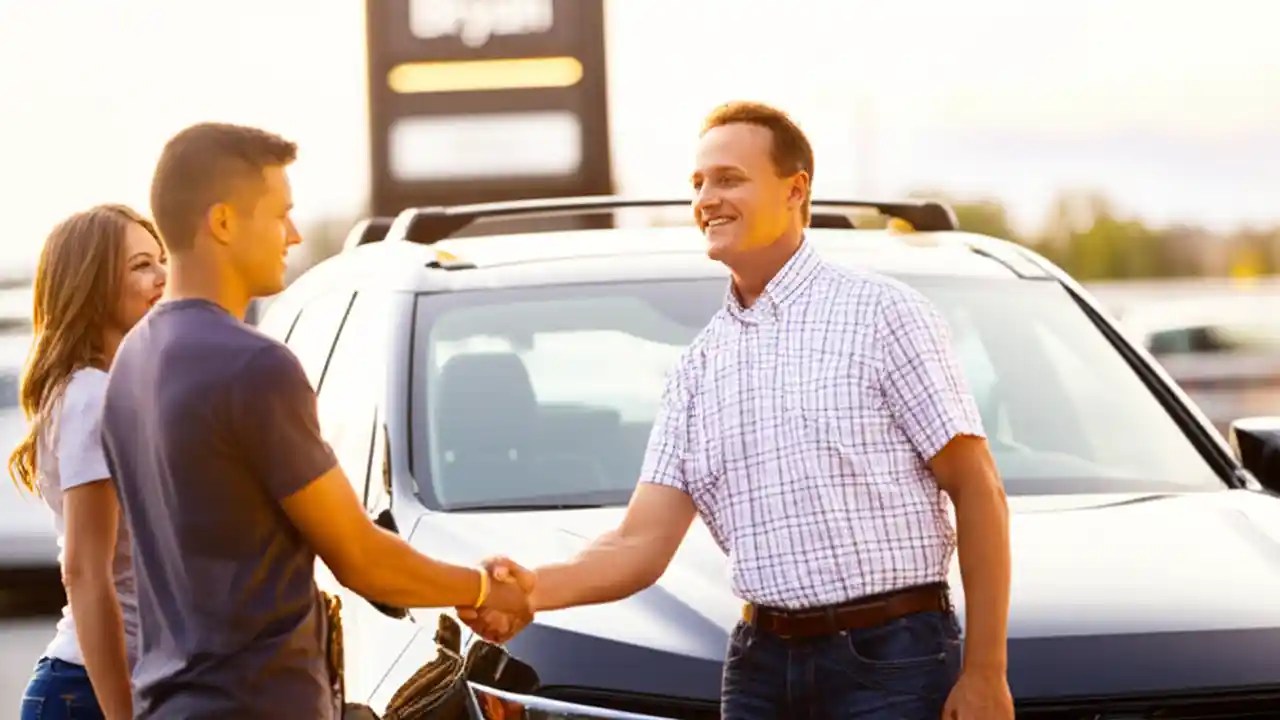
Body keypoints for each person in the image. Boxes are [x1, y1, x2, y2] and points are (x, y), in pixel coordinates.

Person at [463, 102, 1015, 719]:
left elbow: (977, 486)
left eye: (728, 178)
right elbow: (638, 543)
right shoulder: (698, 368)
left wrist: (986, 671)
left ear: (795, 189)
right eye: (697, 184)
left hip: (892, 663)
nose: (706, 199)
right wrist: (531, 590)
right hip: (760, 669)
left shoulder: (884, 316)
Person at [98, 122, 530, 720]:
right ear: (222, 222)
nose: (294, 234)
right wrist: (483, 589)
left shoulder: (131, 360)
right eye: (279, 215)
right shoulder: (252, 363)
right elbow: (360, 557)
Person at [11, 204, 168, 720]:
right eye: (140, 265)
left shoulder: (110, 389)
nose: (161, 275)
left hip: (108, 685)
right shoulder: (92, 397)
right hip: (88, 694)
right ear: (91, 282)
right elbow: (83, 570)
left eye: (161, 260)